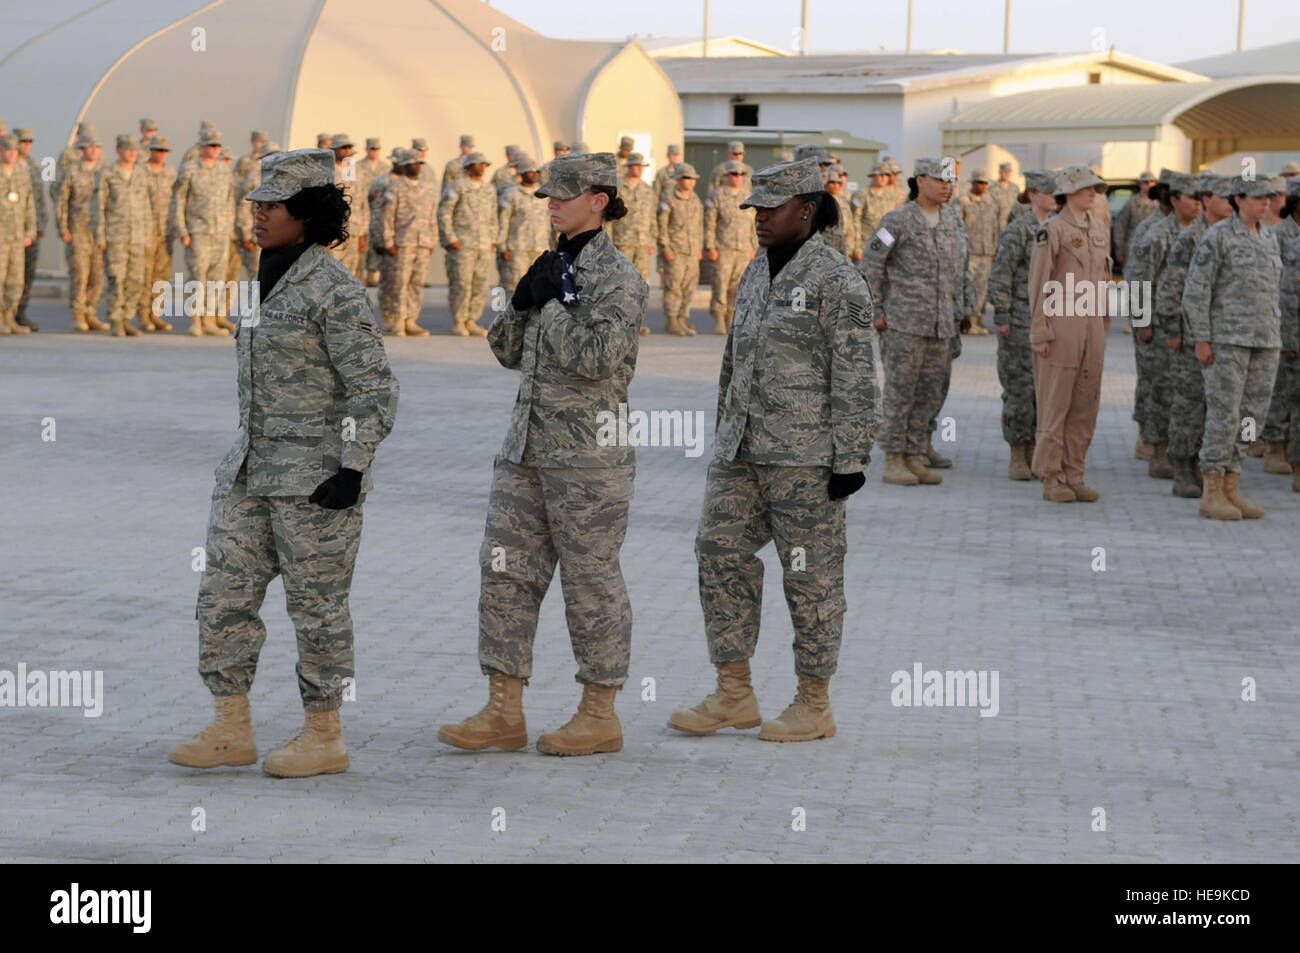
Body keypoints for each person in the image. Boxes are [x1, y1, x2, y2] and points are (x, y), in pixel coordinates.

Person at [170, 149, 399, 777]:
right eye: (257, 205)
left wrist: (352, 467)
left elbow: (374, 389)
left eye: (273, 207)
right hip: (249, 472)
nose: (259, 216)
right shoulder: (263, 279)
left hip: (317, 481)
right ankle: (230, 726)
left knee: (317, 606)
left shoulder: (334, 290)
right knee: (222, 596)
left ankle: (324, 734)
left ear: (308, 215)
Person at [438, 153, 648, 757]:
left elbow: (597, 359)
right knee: (504, 574)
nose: (552, 204)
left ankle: (599, 714)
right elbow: (506, 351)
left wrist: (554, 304)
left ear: (599, 200)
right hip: (526, 449)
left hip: (588, 460)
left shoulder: (620, 279)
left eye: (563, 195)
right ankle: (503, 710)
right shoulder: (553, 265)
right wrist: (523, 300)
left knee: (591, 583)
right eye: (548, 196)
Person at [669, 157, 878, 743]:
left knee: (810, 579)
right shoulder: (756, 270)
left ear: (806, 210)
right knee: (719, 553)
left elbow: (857, 374)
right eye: (754, 208)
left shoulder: (837, 278)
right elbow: (733, 362)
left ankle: (814, 702)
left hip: (806, 457)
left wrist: (851, 458)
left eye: (770, 208)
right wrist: (723, 434)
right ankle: (734, 692)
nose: (758, 218)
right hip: (742, 451)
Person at [862, 157, 971, 486]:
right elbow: (871, 264)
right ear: (919, 180)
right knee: (900, 393)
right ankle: (894, 458)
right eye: (939, 179)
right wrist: (876, 309)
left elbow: (961, 268)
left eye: (950, 181)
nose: (946, 186)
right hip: (904, 323)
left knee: (929, 393)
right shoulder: (896, 220)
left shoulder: (952, 219)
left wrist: (964, 308)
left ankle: (914, 454)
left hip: (942, 324)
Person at [1182, 174, 1285, 520]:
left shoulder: (1269, 237)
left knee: (1251, 418)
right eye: (1258, 197)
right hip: (1227, 342)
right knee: (1224, 414)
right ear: (1239, 199)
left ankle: (1231, 485)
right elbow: (1196, 291)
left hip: (1265, 341)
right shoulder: (1218, 237)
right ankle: (1211, 488)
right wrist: (1201, 338)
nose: (1266, 203)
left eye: (1268, 198)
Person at [1027, 165, 1112, 503]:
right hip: (1061, 324)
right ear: (1067, 191)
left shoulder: (1101, 228)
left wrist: (1104, 325)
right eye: (1086, 188)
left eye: (1096, 188)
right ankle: (1051, 476)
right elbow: (1039, 282)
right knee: (1055, 403)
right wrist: (1039, 330)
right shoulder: (1052, 231)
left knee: (1085, 405)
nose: (1093, 193)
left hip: (1091, 324)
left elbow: (1104, 282)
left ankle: (1074, 473)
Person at [1154, 173, 1234, 498]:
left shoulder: (1232, 235)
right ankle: (1183, 468)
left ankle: (1210, 466)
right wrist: (1173, 329)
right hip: (1192, 334)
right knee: (1189, 403)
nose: (1232, 203)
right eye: (1226, 198)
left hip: (1227, 335)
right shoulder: (1191, 238)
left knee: (1219, 406)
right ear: (1207, 200)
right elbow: (1170, 288)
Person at [987, 169, 1058, 480]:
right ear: (1032, 194)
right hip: (1019, 321)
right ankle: (1019, 451)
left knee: (1046, 393)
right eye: (1048, 191)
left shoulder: (1059, 228)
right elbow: (1002, 273)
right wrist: (1002, 315)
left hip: (1053, 322)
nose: (1055, 196)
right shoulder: (1020, 229)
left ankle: (1039, 451)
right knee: (1019, 390)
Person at [1136, 172, 1202, 481]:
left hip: (1191, 326)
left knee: (1186, 394)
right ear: (1175, 200)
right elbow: (1138, 281)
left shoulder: (1204, 233)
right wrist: (1143, 322)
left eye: (1202, 198)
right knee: (1160, 389)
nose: (1198, 205)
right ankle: (1158, 452)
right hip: (1161, 326)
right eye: (1192, 198)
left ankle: (1184, 452)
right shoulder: (1157, 234)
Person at [169, 127, 235, 335]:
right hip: (198, 231)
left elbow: (229, 201)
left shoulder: (224, 170)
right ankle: (195, 321)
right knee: (198, 276)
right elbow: (178, 200)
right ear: (201, 147)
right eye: (211, 145)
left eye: (218, 146)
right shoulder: (189, 169)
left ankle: (209, 320)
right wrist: (182, 230)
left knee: (217, 278)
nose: (215, 149)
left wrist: (229, 229)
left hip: (221, 232)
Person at [92, 134, 153, 336]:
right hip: (116, 235)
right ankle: (115, 318)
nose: (131, 153)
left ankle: (127, 317)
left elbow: (146, 206)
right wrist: (100, 235)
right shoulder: (108, 174)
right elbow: (98, 206)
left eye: (134, 150)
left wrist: (147, 234)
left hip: (137, 236)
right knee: (117, 278)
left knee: (136, 279)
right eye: (127, 149)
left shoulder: (140, 174)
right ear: (118, 150)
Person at [1260, 177, 1300, 476]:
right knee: (1283, 391)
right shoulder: (1278, 236)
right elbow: (1279, 291)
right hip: (1285, 326)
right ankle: (1275, 446)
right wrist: (1287, 336)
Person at [379, 149, 438, 337]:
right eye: (412, 163)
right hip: (402, 242)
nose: (416, 166)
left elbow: (431, 216)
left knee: (417, 282)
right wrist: (388, 241)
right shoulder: (394, 188)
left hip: (422, 242)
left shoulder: (428, 189)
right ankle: (397, 319)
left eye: (419, 163)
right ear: (404, 166)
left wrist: (432, 241)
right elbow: (386, 217)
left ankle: (411, 319)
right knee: (399, 282)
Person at [438, 150, 496, 336]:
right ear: (469, 167)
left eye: (483, 164)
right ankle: (459, 320)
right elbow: (444, 213)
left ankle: (472, 319)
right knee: (461, 283)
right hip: (462, 243)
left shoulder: (489, 190)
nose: (481, 168)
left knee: (480, 283)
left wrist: (493, 239)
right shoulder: (457, 187)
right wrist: (450, 238)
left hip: (483, 244)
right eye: (478, 164)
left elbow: (494, 217)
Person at [55, 131, 108, 331]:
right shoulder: (71, 172)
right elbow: (61, 201)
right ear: (81, 149)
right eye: (89, 147)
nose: (93, 151)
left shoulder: (104, 172)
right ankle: (78, 315)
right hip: (78, 231)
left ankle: (91, 312)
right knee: (80, 274)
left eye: (96, 147)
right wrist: (63, 228)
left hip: (98, 231)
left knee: (97, 275)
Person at [703, 159, 757, 335]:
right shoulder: (717, 195)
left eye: (740, 175)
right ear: (726, 176)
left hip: (743, 249)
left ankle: (731, 319)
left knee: (738, 287)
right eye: (733, 174)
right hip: (723, 247)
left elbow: (754, 224)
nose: (737, 178)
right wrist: (710, 246)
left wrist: (753, 247)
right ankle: (719, 318)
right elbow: (709, 222)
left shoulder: (748, 196)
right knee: (720, 283)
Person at [609, 152, 656, 327]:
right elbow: (611, 217)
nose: (637, 169)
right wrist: (611, 240)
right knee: (621, 281)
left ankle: (637, 320)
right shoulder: (619, 188)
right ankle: (620, 318)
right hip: (623, 241)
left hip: (643, 242)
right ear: (628, 167)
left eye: (640, 166)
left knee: (640, 283)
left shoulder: (647, 190)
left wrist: (652, 240)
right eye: (634, 165)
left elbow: (652, 216)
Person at [658, 163, 704, 335]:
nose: (690, 182)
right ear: (678, 179)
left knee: (689, 286)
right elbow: (662, 225)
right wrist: (666, 247)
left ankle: (682, 319)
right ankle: (671, 320)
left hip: (692, 250)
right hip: (676, 250)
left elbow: (700, 225)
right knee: (673, 286)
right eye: (686, 178)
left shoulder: (695, 199)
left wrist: (699, 247)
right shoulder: (669, 198)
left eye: (692, 179)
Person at [495, 154, 550, 291]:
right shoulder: (511, 194)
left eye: (536, 172)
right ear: (522, 174)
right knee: (514, 286)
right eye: (530, 172)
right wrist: (502, 247)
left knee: (538, 288)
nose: (534, 174)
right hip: (517, 248)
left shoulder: (544, 195)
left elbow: (550, 222)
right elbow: (503, 221)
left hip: (540, 248)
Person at [138, 135, 176, 332]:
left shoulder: (171, 173)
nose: (161, 154)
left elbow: (177, 201)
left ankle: (156, 313)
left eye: (164, 151)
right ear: (150, 151)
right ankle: (143, 315)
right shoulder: (141, 172)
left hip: (166, 231)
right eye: (158, 150)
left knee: (161, 276)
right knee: (145, 274)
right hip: (146, 231)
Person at [0, 133, 35, 335]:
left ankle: (9, 316)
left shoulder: (22, 175)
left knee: (16, 279)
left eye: (15, 151)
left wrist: (30, 231)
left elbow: (29, 205)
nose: (12, 154)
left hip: (17, 237)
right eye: (8, 150)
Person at [958, 169, 1000, 334]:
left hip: (986, 252)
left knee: (982, 287)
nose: (982, 186)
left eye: (985, 183)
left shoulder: (992, 201)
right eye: (979, 183)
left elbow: (996, 227)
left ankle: (977, 319)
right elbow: (957, 227)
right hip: (969, 252)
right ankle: (966, 320)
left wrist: (995, 249)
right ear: (973, 183)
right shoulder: (963, 201)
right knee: (967, 287)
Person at [13, 129, 44, 331]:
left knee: (27, 272)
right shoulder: (7, 166)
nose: (26, 145)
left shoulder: (34, 166)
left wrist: (41, 225)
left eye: (29, 142)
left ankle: (20, 311)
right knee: (9, 275)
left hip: (30, 229)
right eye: (22, 141)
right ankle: (7, 313)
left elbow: (39, 198)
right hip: (11, 230)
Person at [1113, 171, 1158, 268]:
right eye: (1146, 182)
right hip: (1133, 248)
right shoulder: (1131, 203)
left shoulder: (1159, 205)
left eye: (1152, 182)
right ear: (1140, 184)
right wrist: (1120, 252)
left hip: (1154, 249)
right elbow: (1120, 227)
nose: (1149, 184)